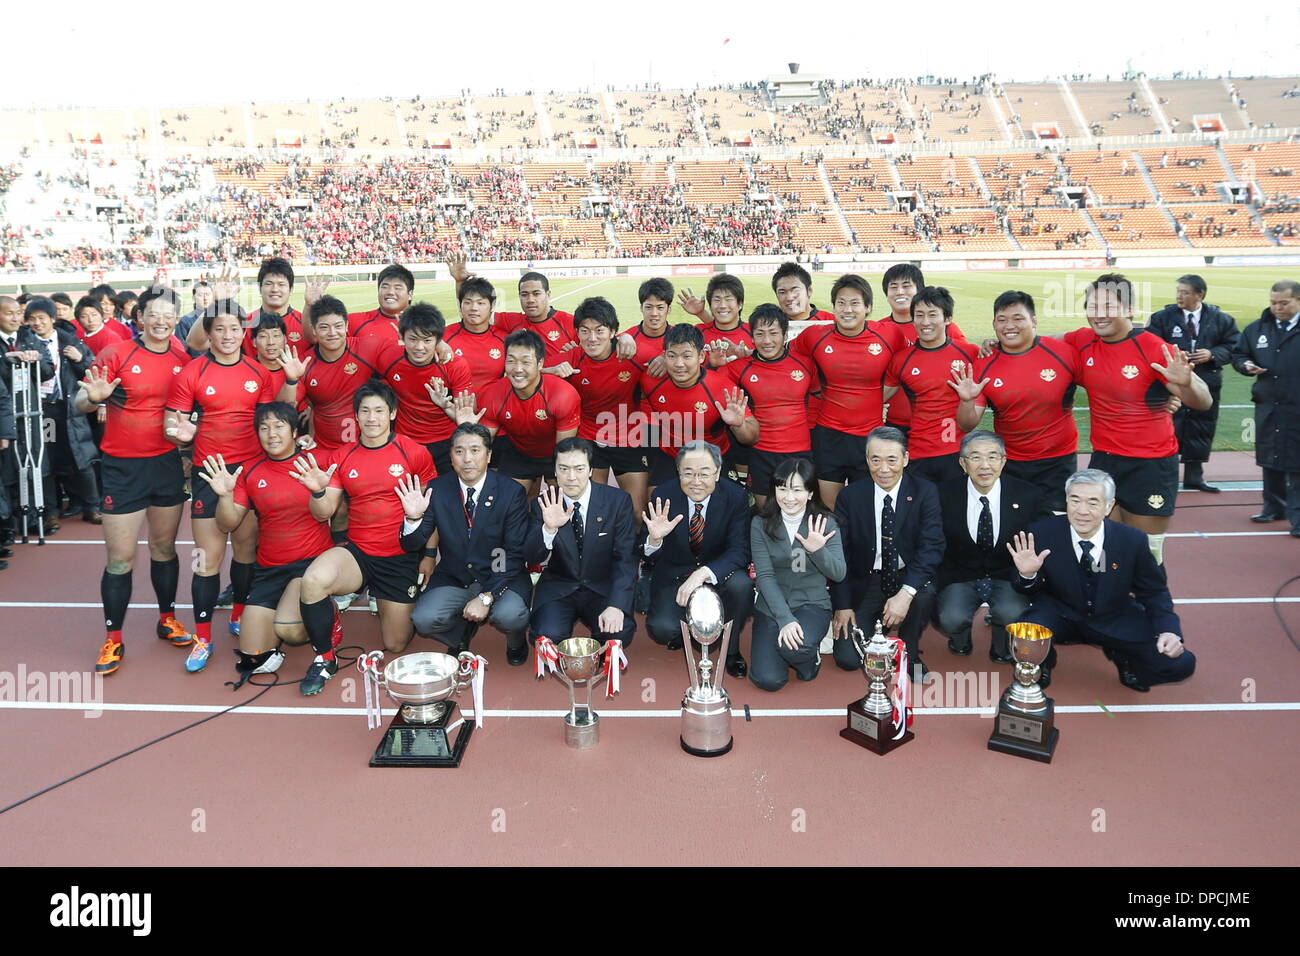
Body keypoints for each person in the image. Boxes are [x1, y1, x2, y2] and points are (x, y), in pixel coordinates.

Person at [73, 287, 193, 676]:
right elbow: (81, 401)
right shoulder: (117, 353)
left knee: (164, 548)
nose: (161, 321)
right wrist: (94, 399)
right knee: (121, 558)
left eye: (168, 314)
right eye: (153, 314)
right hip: (122, 468)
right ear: (140, 317)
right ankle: (114, 638)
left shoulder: (180, 354)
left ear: (176, 319)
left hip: (166, 464)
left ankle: (167, 618)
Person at [292, 382, 436, 694]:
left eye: (379, 411)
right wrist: (317, 490)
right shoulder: (343, 456)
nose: (371, 417)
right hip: (358, 552)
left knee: (395, 644)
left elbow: (431, 510)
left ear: (393, 414)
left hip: (400, 554)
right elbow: (323, 512)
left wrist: (429, 555)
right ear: (356, 416)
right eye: (365, 411)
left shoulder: (414, 453)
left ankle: (390, 596)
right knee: (313, 580)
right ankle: (325, 655)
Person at [1065, 274, 1211, 561]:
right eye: (1092, 306)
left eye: (1108, 305)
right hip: (1104, 461)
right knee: (1105, 553)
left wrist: (1186, 384)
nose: (1099, 313)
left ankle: (1150, 607)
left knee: (1146, 554)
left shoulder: (1153, 347)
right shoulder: (1083, 341)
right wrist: (996, 342)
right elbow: (1041, 344)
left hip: (1150, 465)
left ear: (1129, 309)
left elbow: (1203, 400)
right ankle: (1109, 606)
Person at [1008, 469, 1196, 692]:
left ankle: (1125, 658)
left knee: (1180, 664)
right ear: (1066, 500)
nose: (1082, 511)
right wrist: (1028, 575)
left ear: (1109, 506)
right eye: (1075, 500)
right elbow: (1028, 589)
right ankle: (1042, 663)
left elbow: (1154, 591)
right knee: (1024, 641)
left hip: (1114, 616)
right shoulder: (1040, 533)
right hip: (1060, 613)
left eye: (1093, 502)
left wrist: (1169, 630)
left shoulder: (1132, 540)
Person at [165, 303, 279, 670]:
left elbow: (270, 425)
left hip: (248, 472)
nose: (228, 336)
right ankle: (203, 638)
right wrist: (179, 434)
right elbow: (176, 421)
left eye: (235, 328)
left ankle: (239, 614)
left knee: (247, 551)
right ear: (209, 334)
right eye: (220, 329)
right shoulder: (191, 372)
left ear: (244, 332)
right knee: (206, 560)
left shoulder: (258, 373)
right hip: (208, 473)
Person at [195, 402, 334, 680]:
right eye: (264, 427)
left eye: (279, 426)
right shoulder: (249, 470)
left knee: (290, 631)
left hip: (309, 565)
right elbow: (227, 523)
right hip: (269, 569)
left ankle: (328, 616)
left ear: (295, 431)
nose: (271, 434)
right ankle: (287, 615)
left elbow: (324, 514)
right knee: (252, 657)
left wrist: (318, 491)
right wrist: (224, 495)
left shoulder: (315, 463)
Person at [399, 422, 531, 663]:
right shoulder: (438, 489)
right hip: (456, 576)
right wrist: (413, 518)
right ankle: (460, 635)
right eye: (459, 451)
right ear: (451, 456)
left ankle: (516, 641)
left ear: (489, 455)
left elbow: (512, 553)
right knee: (424, 619)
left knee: (511, 615)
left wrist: (486, 596)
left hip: (500, 573)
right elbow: (411, 545)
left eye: (475, 450)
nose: (467, 459)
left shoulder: (511, 492)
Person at [830, 426, 944, 681]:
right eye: (875, 459)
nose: (883, 468)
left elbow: (932, 546)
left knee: (923, 594)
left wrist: (906, 594)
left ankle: (910, 651)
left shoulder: (925, 492)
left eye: (892, 460)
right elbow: (841, 554)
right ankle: (874, 632)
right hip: (867, 580)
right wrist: (843, 604)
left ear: (905, 458)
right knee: (848, 659)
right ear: (867, 459)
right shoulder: (850, 496)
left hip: (908, 576)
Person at [953, 291, 1080, 513]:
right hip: (1010, 463)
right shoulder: (984, 363)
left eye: (1017, 318)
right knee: (1015, 528)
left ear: (1034, 321)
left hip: (1058, 462)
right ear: (993, 324)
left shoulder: (1064, 353)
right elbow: (967, 424)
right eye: (1002, 320)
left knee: (1055, 528)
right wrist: (966, 400)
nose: (1009, 326)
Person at [641, 440, 752, 678]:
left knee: (742, 586)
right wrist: (655, 540)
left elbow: (740, 551)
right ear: (678, 472)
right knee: (661, 629)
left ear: (718, 472)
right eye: (688, 473)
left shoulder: (736, 497)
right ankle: (687, 630)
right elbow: (644, 553)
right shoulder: (663, 495)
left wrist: (702, 574)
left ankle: (731, 651)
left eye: (704, 473)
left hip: (718, 574)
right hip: (675, 576)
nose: (696, 481)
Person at [788, 273, 895, 509]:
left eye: (855, 303)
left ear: (867, 307)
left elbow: (912, 356)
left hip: (869, 437)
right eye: (841, 303)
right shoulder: (815, 335)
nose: (847, 309)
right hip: (830, 437)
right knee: (829, 508)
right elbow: (787, 355)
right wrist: (814, 386)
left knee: (864, 507)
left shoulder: (888, 334)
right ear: (834, 306)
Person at [934, 431, 1043, 663]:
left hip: (1007, 574)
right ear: (963, 463)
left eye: (993, 457)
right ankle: (960, 639)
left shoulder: (1028, 495)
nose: (985, 465)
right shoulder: (942, 494)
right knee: (951, 617)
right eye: (975, 457)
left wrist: (1029, 571)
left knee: (1012, 613)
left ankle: (1001, 646)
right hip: (961, 573)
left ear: (1003, 461)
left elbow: (1046, 537)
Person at [523, 437, 637, 648]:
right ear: (555, 471)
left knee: (617, 635)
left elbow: (626, 558)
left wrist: (616, 605)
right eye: (564, 469)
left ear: (591, 470)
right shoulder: (543, 504)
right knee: (546, 637)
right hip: (560, 586)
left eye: (579, 468)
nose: (571, 477)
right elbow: (530, 556)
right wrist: (548, 529)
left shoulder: (617, 502)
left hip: (602, 586)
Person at [749, 457, 845, 691]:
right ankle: (782, 645)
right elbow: (765, 576)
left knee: (796, 649)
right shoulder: (760, 524)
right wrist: (785, 619)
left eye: (797, 489)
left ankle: (809, 660)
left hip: (811, 603)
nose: (789, 497)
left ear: (810, 493)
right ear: (774, 490)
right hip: (771, 607)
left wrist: (818, 550)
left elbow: (839, 573)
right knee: (768, 680)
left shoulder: (826, 523)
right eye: (782, 489)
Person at [1146, 274, 1240, 492]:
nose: (1179, 295)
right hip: (1170, 383)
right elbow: (1150, 344)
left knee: (1201, 426)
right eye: (1178, 291)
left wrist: (1213, 354)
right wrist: (1173, 354)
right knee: (1167, 426)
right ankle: (1161, 476)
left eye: (1185, 292)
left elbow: (1234, 346)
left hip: (1206, 383)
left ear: (1200, 295)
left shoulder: (1221, 319)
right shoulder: (1162, 317)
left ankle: (1194, 477)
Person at [639, 323, 757, 490]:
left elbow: (752, 437)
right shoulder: (651, 380)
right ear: (664, 356)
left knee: (734, 503)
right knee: (654, 499)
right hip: (671, 455)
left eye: (687, 356)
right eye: (672, 356)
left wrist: (739, 425)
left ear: (701, 356)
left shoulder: (722, 388)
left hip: (714, 456)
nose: (679, 364)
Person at [464, 328, 580, 496]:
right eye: (511, 361)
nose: (517, 369)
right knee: (505, 502)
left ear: (540, 364)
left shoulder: (563, 395)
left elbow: (565, 450)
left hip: (554, 453)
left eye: (526, 362)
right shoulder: (493, 394)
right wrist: (465, 426)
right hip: (519, 451)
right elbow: (482, 444)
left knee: (566, 500)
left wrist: (563, 484)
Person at [883, 286, 978, 486]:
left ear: (948, 319)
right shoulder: (901, 360)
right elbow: (877, 396)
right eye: (919, 315)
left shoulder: (970, 353)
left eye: (933, 314)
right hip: (919, 453)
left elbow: (970, 422)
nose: (925, 322)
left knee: (956, 514)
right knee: (921, 514)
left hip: (959, 454)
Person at [723, 304, 816, 508]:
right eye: (760, 334)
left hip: (801, 451)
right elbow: (706, 381)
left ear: (784, 335)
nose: (766, 341)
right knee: (765, 514)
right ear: (752, 336)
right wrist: (713, 363)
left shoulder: (806, 364)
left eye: (773, 333)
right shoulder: (738, 367)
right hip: (761, 453)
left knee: (800, 512)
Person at [564, 297, 649, 517]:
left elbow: (672, 359)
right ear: (577, 333)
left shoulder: (632, 355)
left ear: (613, 332)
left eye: (599, 330)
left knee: (638, 513)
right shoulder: (573, 357)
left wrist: (660, 360)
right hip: (590, 438)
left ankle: (635, 551)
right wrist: (552, 371)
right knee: (590, 511)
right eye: (585, 331)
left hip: (628, 438)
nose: (592, 338)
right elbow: (532, 368)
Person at [1232, 279, 1300, 534]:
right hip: (1269, 404)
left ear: (1298, 301)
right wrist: (1246, 365)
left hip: (1297, 405)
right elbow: (1238, 354)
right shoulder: (1257, 328)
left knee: (1297, 464)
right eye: (1273, 303)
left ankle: (1298, 518)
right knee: (1270, 457)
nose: (1277, 308)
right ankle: (1273, 508)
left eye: (1284, 303)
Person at [25, 298, 100, 525]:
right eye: (32, 319)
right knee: (48, 460)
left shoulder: (70, 340)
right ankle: (51, 511)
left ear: (52, 319)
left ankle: (92, 506)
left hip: (70, 409)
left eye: (42, 318)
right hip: (45, 412)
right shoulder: (26, 344)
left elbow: (93, 370)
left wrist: (81, 359)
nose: (37, 323)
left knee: (81, 458)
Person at [448, 254, 577, 371]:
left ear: (548, 294)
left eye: (536, 294)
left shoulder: (569, 322)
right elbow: (473, 314)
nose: (530, 300)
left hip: (562, 389)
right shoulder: (512, 321)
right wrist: (460, 282)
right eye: (524, 294)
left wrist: (576, 353)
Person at [443, 277, 508, 394]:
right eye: (467, 302)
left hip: (493, 409)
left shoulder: (504, 339)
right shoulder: (444, 337)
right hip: (452, 408)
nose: (474, 308)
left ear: (492, 306)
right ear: (460, 306)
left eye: (481, 303)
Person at [613, 277, 675, 372]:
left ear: (669, 309)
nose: (654, 313)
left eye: (660, 307)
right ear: (641, 308)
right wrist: (622, 337)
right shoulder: (625, 340)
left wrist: (670, 359)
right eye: (649, 307)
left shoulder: (680, 337)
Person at [348, 263, 414, 343]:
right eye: (385, 287)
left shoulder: (425, 324)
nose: (390, 292)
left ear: (410, 294)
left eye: (398, 288)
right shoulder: (355, 321)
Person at [771, 261, 836, 326]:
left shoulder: (833, 322)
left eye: (795, 290)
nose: (789, 298)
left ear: (809, 291)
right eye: (782, 292)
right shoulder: (770, 326)